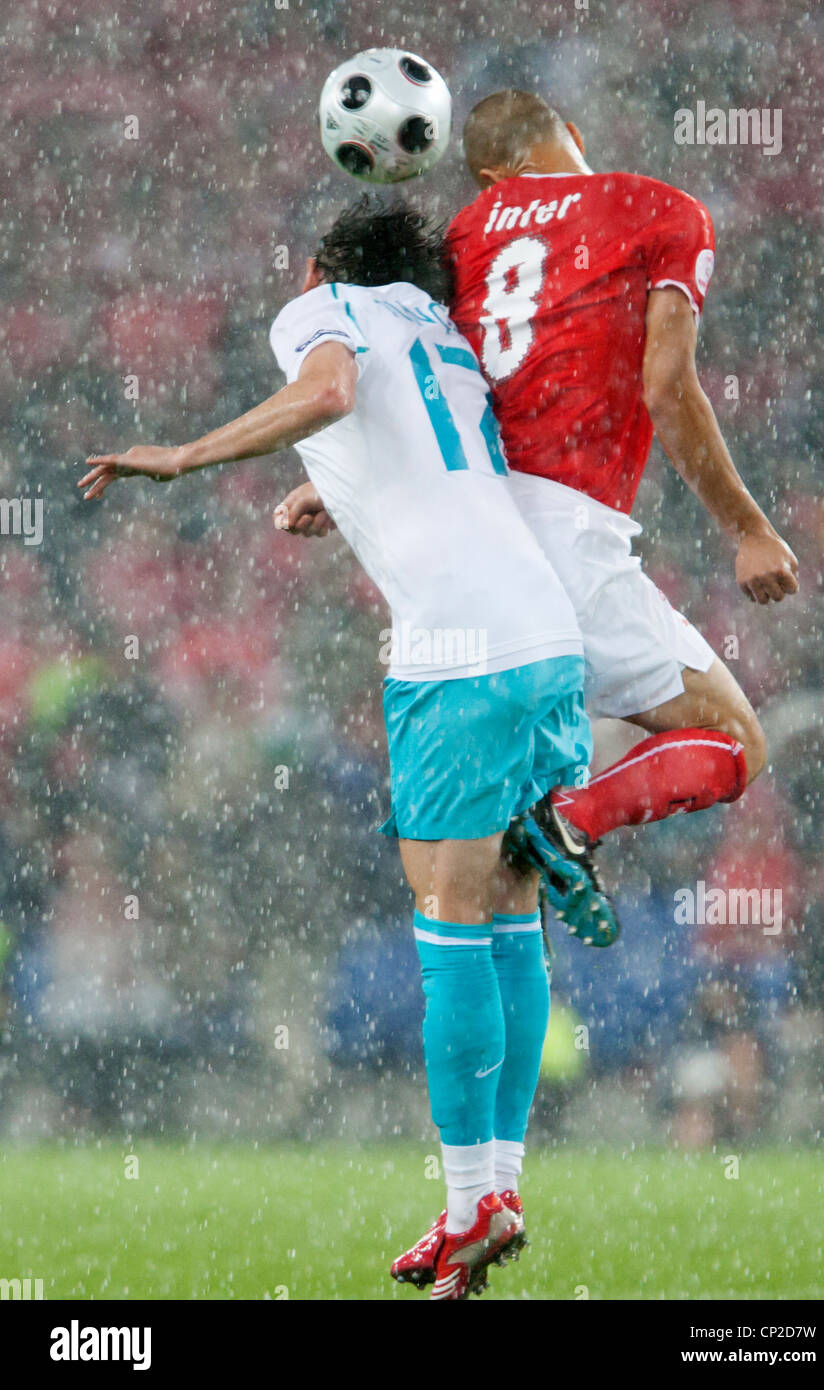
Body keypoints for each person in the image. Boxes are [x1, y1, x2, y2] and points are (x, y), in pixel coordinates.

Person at [78, 198, 613, 1301]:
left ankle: (468, 1201)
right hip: (547, 644)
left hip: (456, 660)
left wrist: (181, 456)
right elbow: (447, 465)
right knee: (508, 913)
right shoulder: (449, 337)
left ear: (322, 266)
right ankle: (494, 1191)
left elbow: (327, 390)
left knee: (448, 925)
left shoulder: (323, 309)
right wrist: (340, 486)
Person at [283, 90, 799, 867]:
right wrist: (750, 529)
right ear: (574, 135)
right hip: (564, 538)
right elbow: (668, 385)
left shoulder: (462, 236)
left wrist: (339, 484)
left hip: (468, 544)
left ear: (493, 178)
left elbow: (430, 380)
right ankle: (569, 822)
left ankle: (530, 844)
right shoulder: (660, 210)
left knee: (479, 873)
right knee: (737, 742)